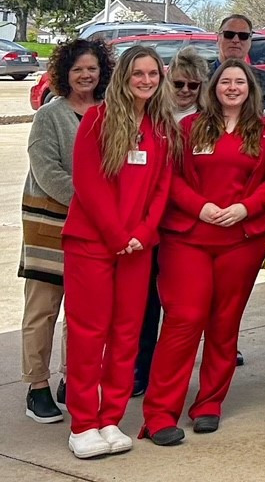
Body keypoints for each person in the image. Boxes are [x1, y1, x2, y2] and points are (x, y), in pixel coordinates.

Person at [141, 59, 265, 445]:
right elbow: (168, 176)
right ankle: (159, 413)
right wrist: (200, 207)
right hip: (189, 238)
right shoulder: (187, 128)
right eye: (226, 81)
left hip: (241, 239)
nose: (233, 87)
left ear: (250, 89)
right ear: (214, 87)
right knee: (184, 319)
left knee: (225, 325)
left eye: (241, 81)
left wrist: (245, 207)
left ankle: (209, 404)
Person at [61, 45, 177, 458]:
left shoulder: (161, 128)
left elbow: (161, 189)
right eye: (138, 74)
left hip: (137, 247)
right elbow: (88, 184)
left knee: (127, 335)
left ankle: (110, 417)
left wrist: (143, 234)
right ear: (123, 78)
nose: (146, 81)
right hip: (94, 245)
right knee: (89, 334)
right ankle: (83, 423)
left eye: (153, 74)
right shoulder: (97, 120)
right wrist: (117, 235)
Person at [19, 38, 112, 425]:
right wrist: (94, 201)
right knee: (42, 310)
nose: (86, 75)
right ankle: (36, 386)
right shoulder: (50, 116)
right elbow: (46, 171)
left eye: (92, 68)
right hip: (50, 226)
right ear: (64, 74)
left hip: (93, 231)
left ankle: (72, 380)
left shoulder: (110, 113)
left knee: (82, 314)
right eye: (78, 70)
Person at [135, 47, 209, 399]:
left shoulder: (206, 120)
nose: (184, 91)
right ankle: (142, 367)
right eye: (178, 83)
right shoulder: (152, 116)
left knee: (180, 307)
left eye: (192, 86)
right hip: (149, 221)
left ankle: (172, 373)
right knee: (145, 301)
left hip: (186, 224)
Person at [211, 13, 265, 119]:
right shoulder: (198, 78)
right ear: (218, 38)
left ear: (250, 41)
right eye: (229, 34)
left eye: (243, 36)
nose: (235, 40)